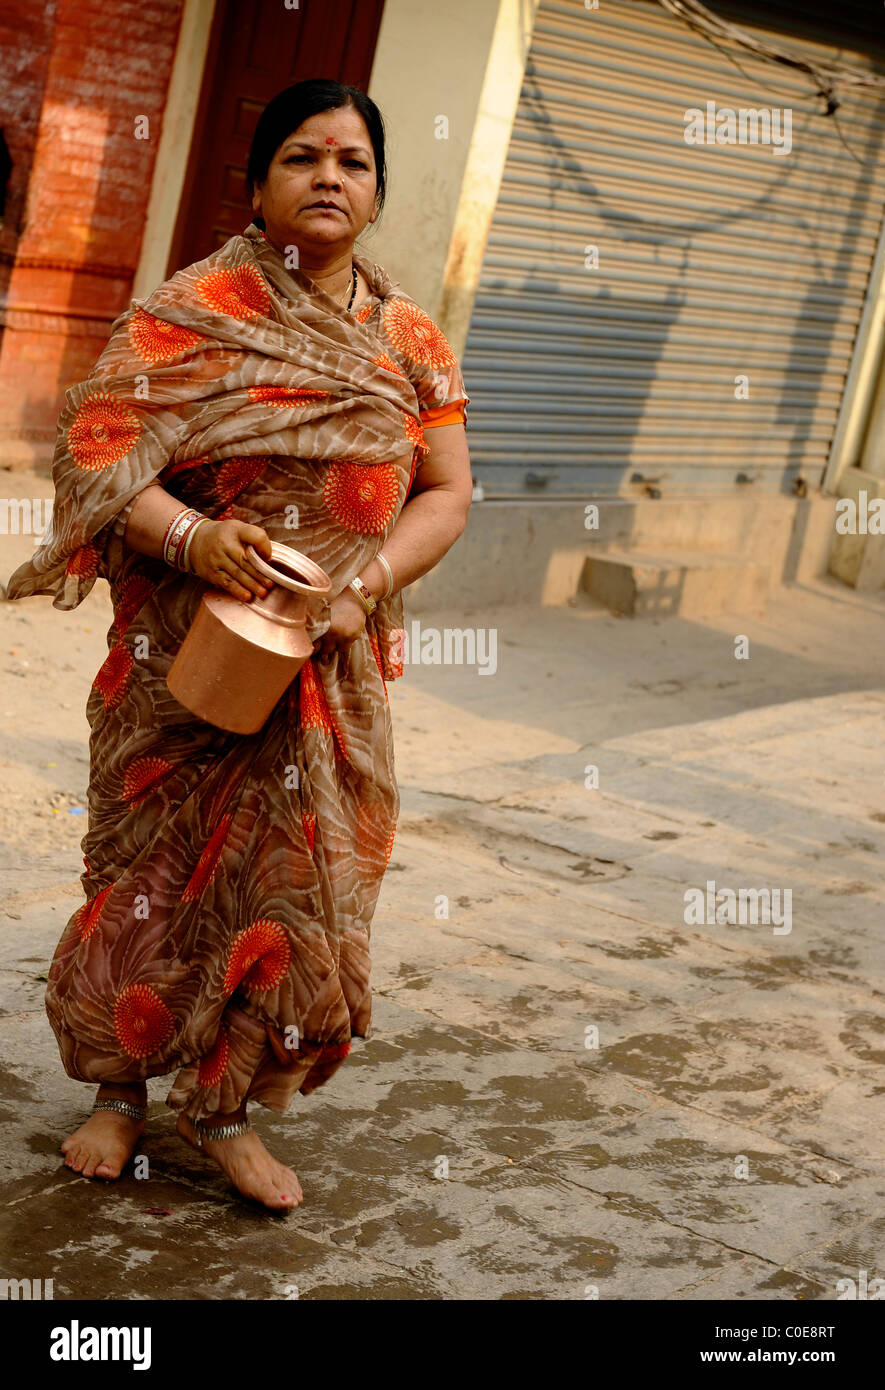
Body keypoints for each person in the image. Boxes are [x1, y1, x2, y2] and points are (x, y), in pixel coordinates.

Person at [5, 79, 472, 1211]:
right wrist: (197, 536)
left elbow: (450, 492)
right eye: (302, 157)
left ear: (376, 191)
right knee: (148, 876)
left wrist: (363, 584)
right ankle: (117, 1095)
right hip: (181, 656)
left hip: (329, 662)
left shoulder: (410, 339)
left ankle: (223, 1109)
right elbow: (99, 455)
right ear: (260, 186)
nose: (328, 177)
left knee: (309, 880)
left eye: (352, 162)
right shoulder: (191, 308)